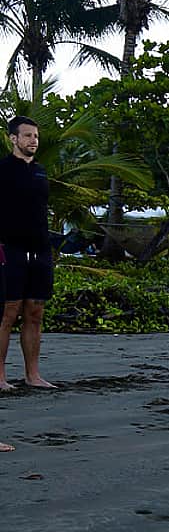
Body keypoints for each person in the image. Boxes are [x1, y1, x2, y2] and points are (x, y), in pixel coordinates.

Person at [0, 115, 55, 390]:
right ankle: (0, 377)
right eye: (27, 135)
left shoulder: (40, 171)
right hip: (10, 249)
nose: (33, 140)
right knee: (7, 313)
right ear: (13, 138)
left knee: (35, 312)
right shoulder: (3, 169)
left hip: (40, 250)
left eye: (36, 136)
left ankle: (32, 375)